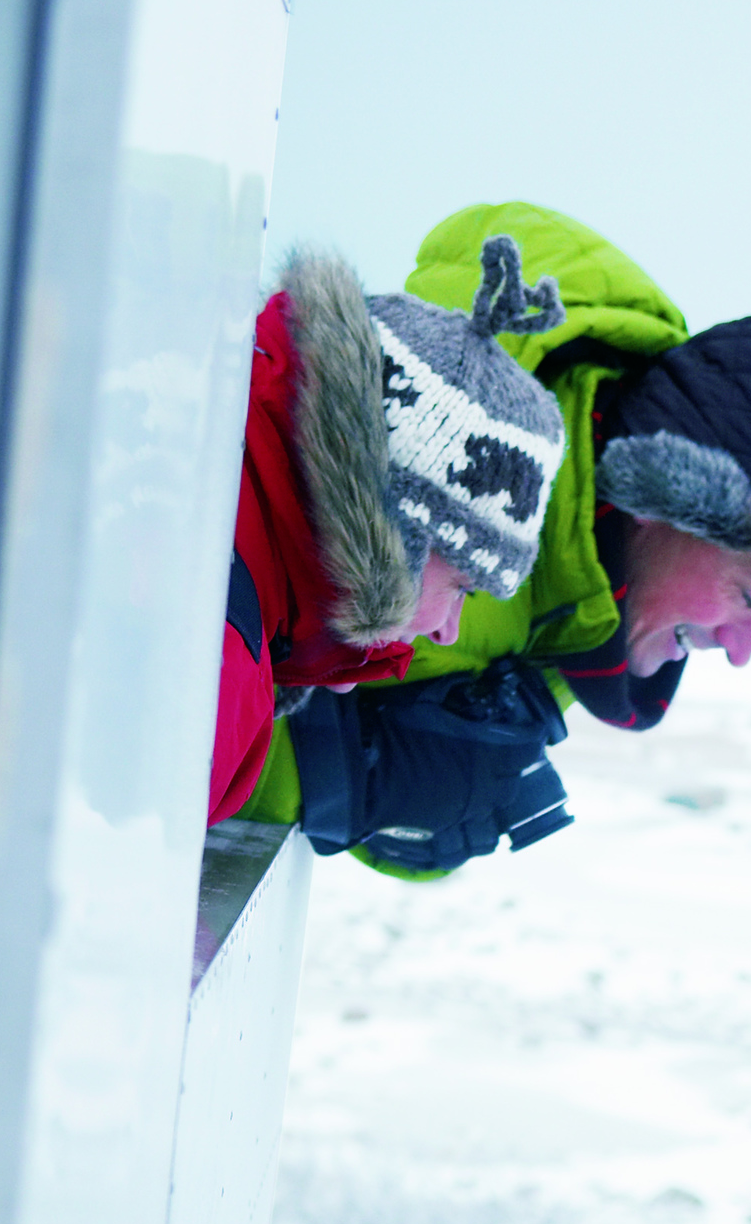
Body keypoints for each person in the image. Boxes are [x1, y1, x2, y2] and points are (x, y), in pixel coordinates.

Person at [236, 202, 751, 880]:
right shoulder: (440, 467)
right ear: (666, 504)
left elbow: (420, 832)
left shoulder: (591, 592)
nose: (741, 650)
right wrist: (331, 774)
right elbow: (187, 709)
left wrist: (383, 791)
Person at [209, 232, 569, 827]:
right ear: (402, 531)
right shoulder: (222, 663)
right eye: (462, 587)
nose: (449, 632)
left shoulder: (223, 510)